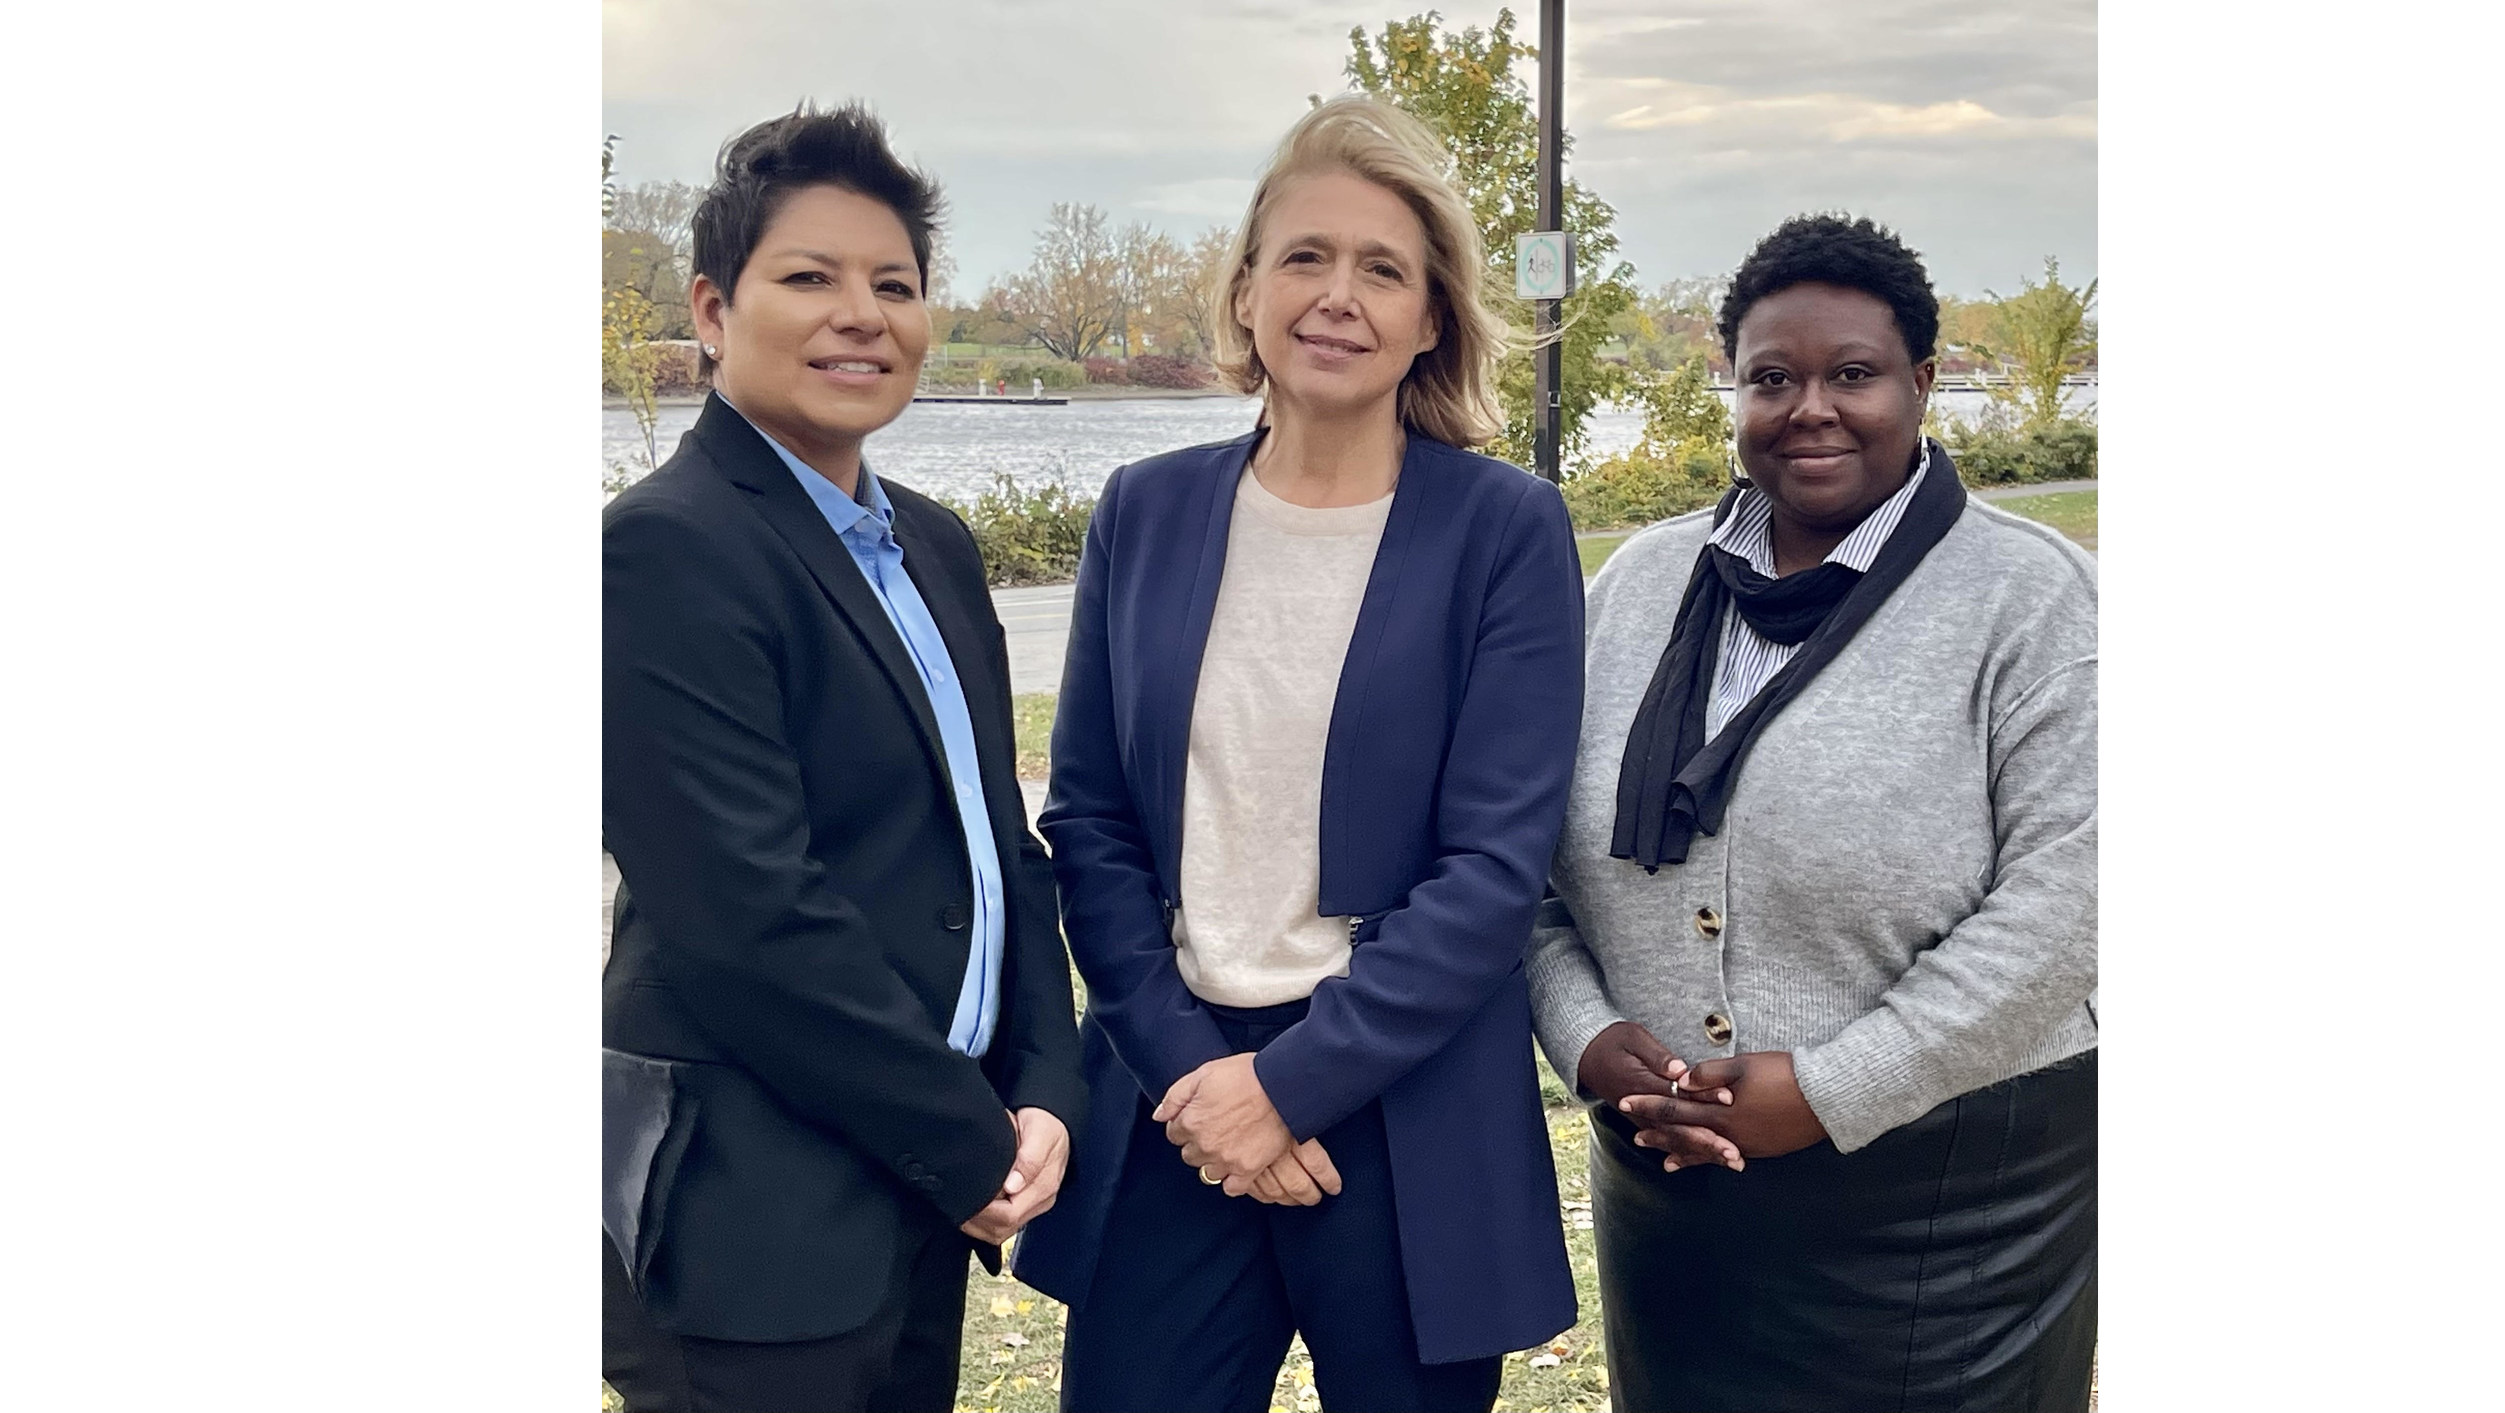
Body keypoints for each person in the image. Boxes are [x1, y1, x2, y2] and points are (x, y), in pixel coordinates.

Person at [1010, 96, 1586, 1413]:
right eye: (1305, 257)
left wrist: (1292, 1085)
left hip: (1403, 1114)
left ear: (1432, 316)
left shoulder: (1504, 531)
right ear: (1248, 290)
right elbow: (1091, 819)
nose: (1339, 295)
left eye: (1383, 267)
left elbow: (1493, 869)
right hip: (1176, 1097)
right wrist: (1202, 1075)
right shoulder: (1145, 513)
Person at [1526, 214, 2098, 1412]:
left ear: (1925, 385)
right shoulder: (1633, 586)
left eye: (1854, 373)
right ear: (1733, 388)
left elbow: (2072, 906)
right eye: (1772, 378)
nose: (1811, 409)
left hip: (1949, 1207)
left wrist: (1836, 1090)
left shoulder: (2032, 599)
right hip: (1671, 1197)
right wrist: (1581, 1030)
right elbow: (1521, 856)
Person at [600, 102, 1086, 1413]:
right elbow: (746, 917)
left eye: (895, 284)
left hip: (918, 1203)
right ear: (711, 311)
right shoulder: (661, 551)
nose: (861, 315)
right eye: (807, 279)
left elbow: (996, 846)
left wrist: (1047, 1082)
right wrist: (968, 1139)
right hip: (753, 1224)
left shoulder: (933, 548)